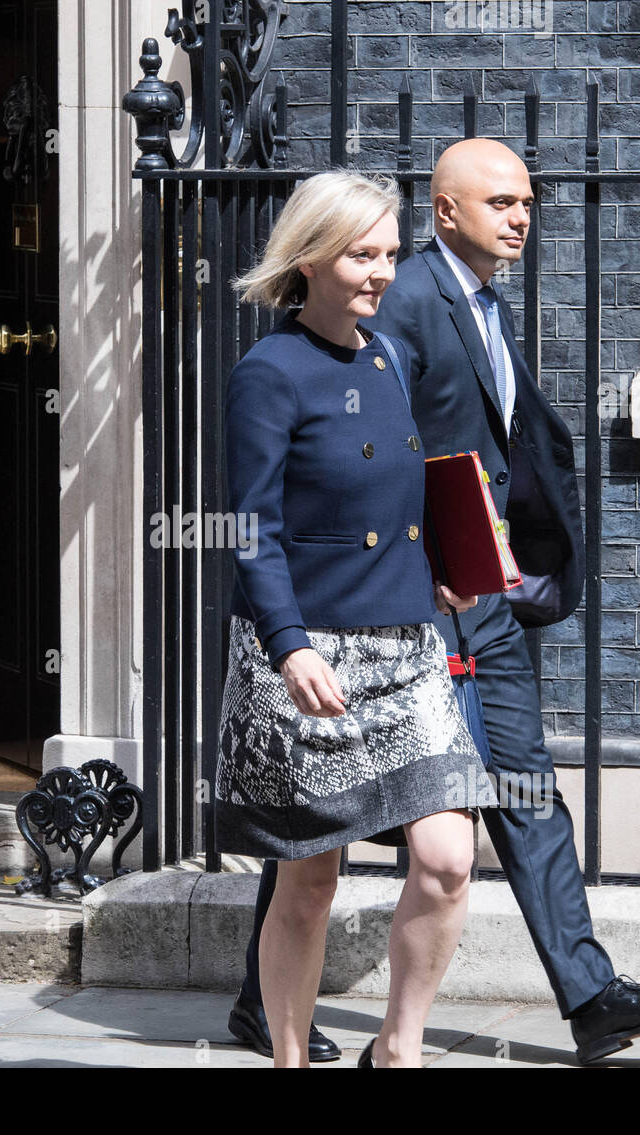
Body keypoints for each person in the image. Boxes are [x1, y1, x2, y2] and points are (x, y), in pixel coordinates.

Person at [227, 139, 640, 1067]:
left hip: (442, 599)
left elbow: (425, 461)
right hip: (347, 625)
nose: (521, 215)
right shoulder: (389, 313)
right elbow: (296, 497)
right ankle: (267, 1004)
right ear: (447, 212)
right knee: (314, 849)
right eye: (501, 200)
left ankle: (580, 994)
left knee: (500, 807)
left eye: (528, 200)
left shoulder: (456, 313)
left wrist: (456, 560)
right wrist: (292, 639)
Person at [215, 169, 500, 1068]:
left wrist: (447, 573)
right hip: (309, 649)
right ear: (309, 259)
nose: (382, 271)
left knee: (450, 856)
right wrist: (289, 646)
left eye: (387, 252)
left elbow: (400, 494)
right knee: (309, 880)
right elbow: (253, 527)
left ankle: (397, 1049)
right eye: (362, 254)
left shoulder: (390, 357)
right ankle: (290, 1058)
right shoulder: (268, 373)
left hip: (406, 643)